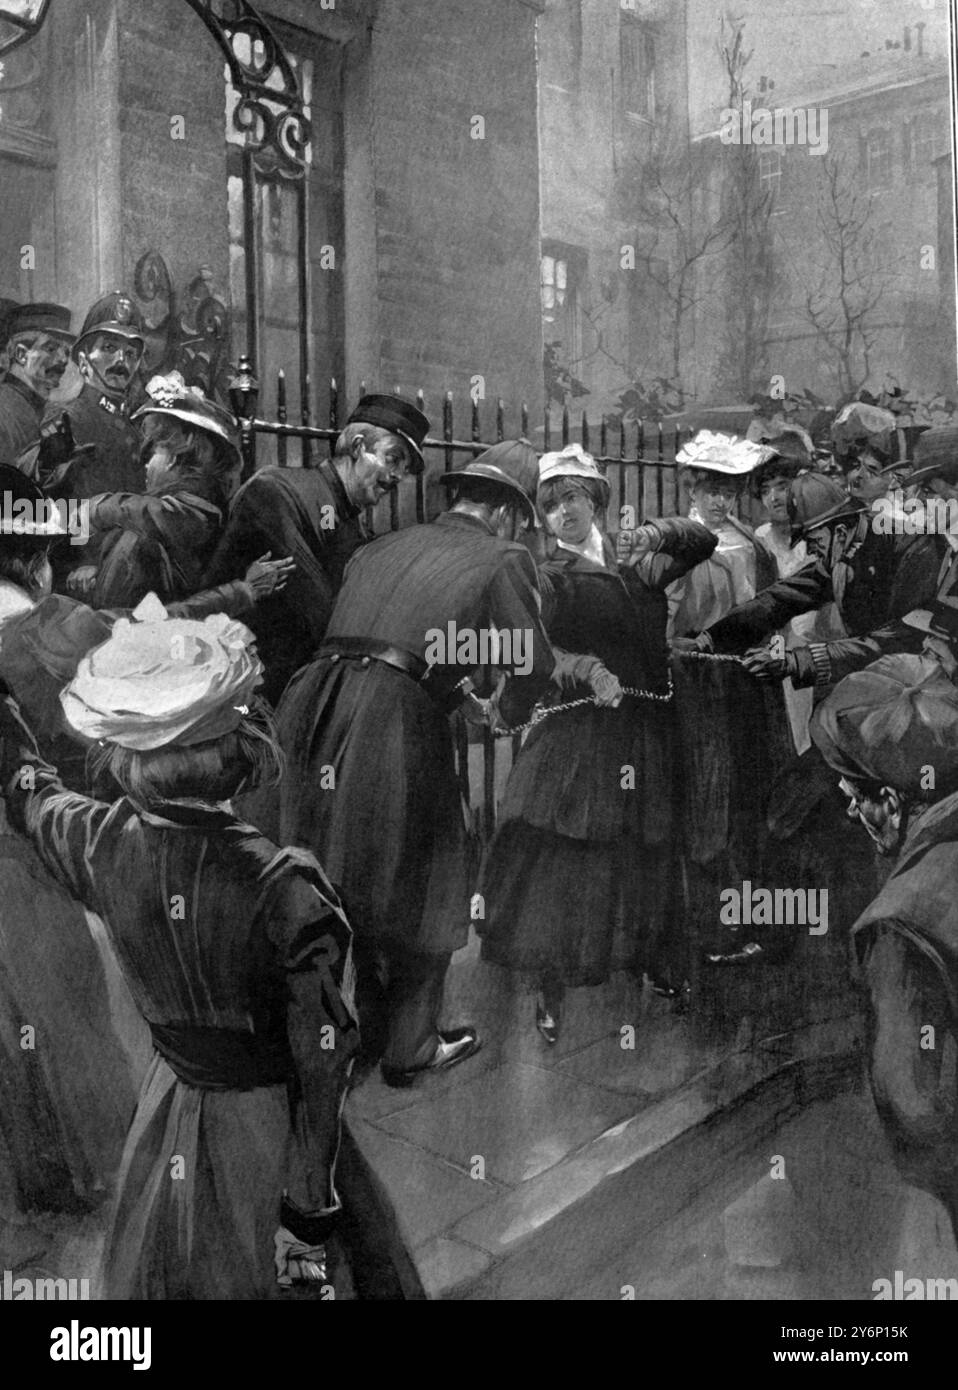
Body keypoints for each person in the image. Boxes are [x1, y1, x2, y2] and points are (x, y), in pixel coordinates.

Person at [0, 603, 360, 1299]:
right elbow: (325, 1055)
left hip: (169, 1113)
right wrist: (309, 1208)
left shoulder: (100, 842)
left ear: (122, 754)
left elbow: (33, 796)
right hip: (267, 1130)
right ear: (240, 750)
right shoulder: (288, 889)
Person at [0, 463, 295, 1216]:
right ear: (35, 558)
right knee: (68, 1013)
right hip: (43, 859)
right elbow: (159, 646)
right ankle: (89, 1171)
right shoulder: (58, 625)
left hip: (33, 825)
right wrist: (241, 595)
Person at [250, 442, 557, 1086]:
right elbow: (529, 664)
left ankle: (323, 1029)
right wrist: (510, 709)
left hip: (314, 703)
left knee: (323, 859)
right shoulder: (504, 557)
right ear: (507, 514)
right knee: (425, 869)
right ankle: (410, 1044)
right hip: (391, 716)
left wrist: (453, 692)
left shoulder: (380, 546)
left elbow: (395, 638)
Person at [478, 445, 716, 1038]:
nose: (563, 512)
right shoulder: (545, 574)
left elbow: (701, 541)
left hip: (645, 726)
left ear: (599, 502)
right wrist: (586, 669)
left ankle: (654, 960)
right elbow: (535, 653)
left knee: (648, 845)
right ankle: (551, 984)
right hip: (582, 728)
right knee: (566, 854)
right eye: (551, 503)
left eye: (574, 498)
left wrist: (656, 531)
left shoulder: (636, 559)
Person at [810, 654, 958, 1245]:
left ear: (893, 805)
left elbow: (912, 1107)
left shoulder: (901, 923)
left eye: (855, 795)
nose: (851, 810)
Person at [205, 393, 429, 704]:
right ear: (358, 446)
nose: (398, 476)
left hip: (293, 688)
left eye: (405, 467)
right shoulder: (276, 491)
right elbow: (323, 610)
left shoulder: (350, 524)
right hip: (239, 692)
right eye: (393, 458)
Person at [686, 470, 945, 690]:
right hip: (879, 669)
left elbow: (902, 638)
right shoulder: (845, 545)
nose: (811, 552)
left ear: (841, 532)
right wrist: (710, 639)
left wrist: (797, 661)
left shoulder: (915, 547)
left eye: (814, 542)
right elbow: (782, 598)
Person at [85, 372, 281, 610]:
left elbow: (160, 516)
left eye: (153, 453)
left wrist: (99, 508)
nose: (146, 465)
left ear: (173, 456)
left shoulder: (196, 507)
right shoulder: (193, 503)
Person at [26, 290, 148, 597]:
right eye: (109, 348)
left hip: (135, 569)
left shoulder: (142, 426)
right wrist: (85, 561)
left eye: (131, 353)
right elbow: (48, 502)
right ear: (82, 360)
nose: (122, 361)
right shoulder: (65, 419)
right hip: (82, 577)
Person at [0, 303, 74, 463]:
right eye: (51, 348)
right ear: (21, 354)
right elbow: (5, 485)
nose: (63, 359)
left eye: (66, 351)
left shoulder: (52, 412)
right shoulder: (3, 410)